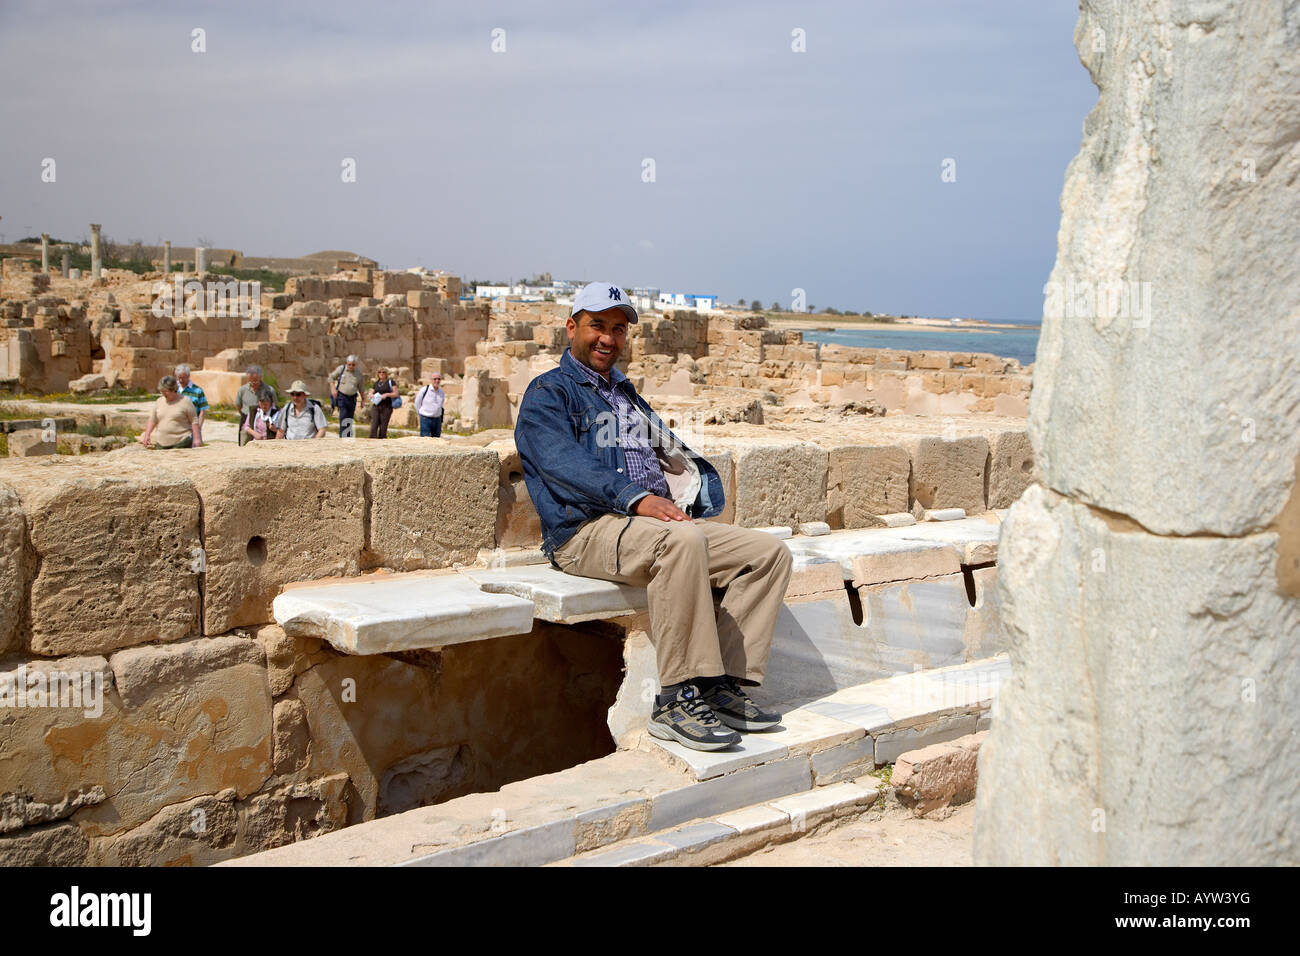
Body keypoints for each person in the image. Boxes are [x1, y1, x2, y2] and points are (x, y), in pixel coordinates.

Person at [515, 281, 792, 752]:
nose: (608, 338)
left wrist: (688, 496)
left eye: (618, 330)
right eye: (597, 326)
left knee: (767, 553)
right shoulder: (549, 393)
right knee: (682, 543)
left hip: (648, 524)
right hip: (586, 530)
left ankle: (719, 686)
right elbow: (561, 463)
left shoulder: (623, 392)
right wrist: (634, 498)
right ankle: (676, 698)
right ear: (572, 327)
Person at [140, 374, 202, 449]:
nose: (163, 394)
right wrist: (147, 435)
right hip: (162, 442)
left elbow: (194, 421)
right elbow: (153, 420)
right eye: (161, 391)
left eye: (166, 391)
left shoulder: (185, 401)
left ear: (174, 390)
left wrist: (197, 439)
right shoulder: (159, 401)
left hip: (181, 441)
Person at [234, 365, 277, 447]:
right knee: (244, 444)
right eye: (250, 381)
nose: (252, 383)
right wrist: (245, 415)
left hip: (265, 420)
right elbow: (238, 405)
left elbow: (274, 405)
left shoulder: (269, 390)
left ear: (260, 377)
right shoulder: (242, 390)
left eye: (255, 381)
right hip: (246, 419)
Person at [329, 355, 363, 438]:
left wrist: (363, 400)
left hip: (352, 398)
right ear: (347, 363)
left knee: (350, 418)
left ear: (356, 364)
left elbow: (361, 388)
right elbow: (331, 378)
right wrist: (333, 389)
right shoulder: (341, 369)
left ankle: (348, 437)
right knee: (343, 416)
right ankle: (342, 437)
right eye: (349, 364)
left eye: (353, 364)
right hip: (342, 396)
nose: (351, 366)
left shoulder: (358, 373)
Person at [174, 364, 208, 440]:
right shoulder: (173, 389)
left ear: (188, 376)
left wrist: (198, 428)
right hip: (175, 429)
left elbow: (202, 411)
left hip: (191, 428)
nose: (181, 380)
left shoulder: (198, 391)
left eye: (183, 378)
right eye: (179, 378)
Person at [366, 367, 396, 439]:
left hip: (386, 406)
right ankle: (372, 440)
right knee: (374, 424)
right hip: (376, 406)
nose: (381, 374)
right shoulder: (376, 383)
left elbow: (395, 393)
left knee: (383, 426)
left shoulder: (391, 382)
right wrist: (370, 394)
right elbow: (371, 391)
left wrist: (387, 395)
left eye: (383, 372)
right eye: (379, 372)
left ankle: (382, 441)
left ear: (386, 374)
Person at [414, 372, 445, 437]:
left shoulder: (441, 392)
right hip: (425, 419)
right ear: (431, 380)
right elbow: (417, 403)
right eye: (435, 379)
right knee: (425, 439)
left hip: (437, 420)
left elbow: (441, 405)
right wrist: (420, 413)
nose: (437, 381)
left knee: (436, 440)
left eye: (439, 379)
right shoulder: (424, 390)